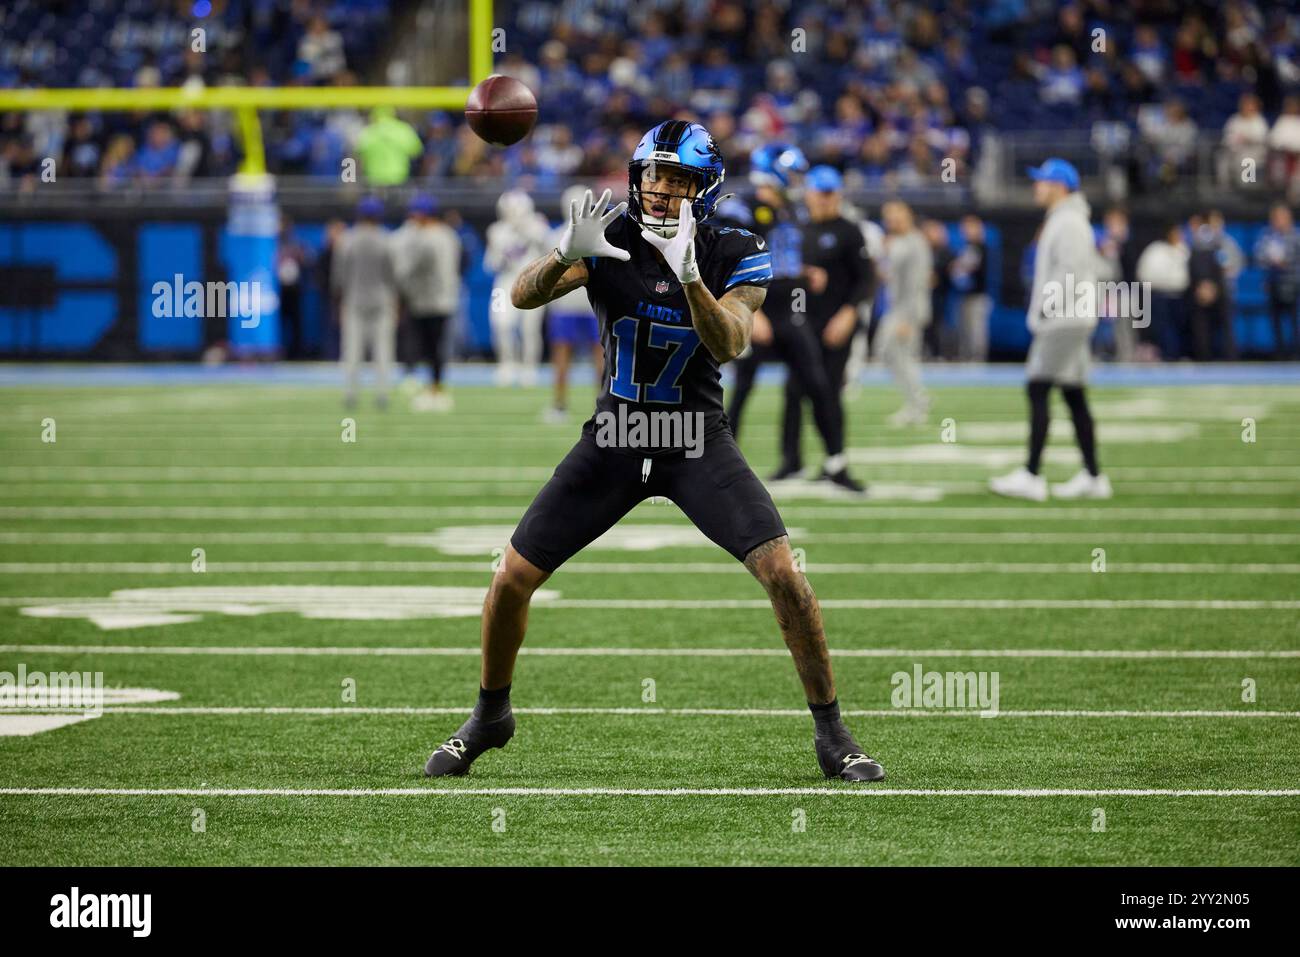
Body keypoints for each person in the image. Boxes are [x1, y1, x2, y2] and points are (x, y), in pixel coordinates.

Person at [423, 121, 885, 784]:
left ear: (705, 190)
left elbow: (730, 341)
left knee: (785, 574)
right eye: (656, 175)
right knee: (509, 579)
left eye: (680, 180)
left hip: (695, 440)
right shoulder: (609, 238)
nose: (664, 190)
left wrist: (691, 275)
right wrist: (563, 255)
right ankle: (490, 713)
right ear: (638, 176)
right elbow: (523, 296)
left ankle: (832, 732)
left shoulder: (734, 248)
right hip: (616, 438)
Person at [721, 143, 866, 491]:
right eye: (794, 172)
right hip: (756, 313)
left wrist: (803, 274)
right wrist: (746, 310)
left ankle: (837, 464)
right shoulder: (742, 209)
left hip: (790, 313)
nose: (799, 181)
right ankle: (723, 468)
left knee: (817, 385)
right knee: (741, 389)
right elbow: (724, 263)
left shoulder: (787, 210)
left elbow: (777, 263)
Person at [990, 158, 1111, 501]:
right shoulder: (1066, 220)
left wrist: (1046, 308)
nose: (1036, 187)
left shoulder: (1069, 222)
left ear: (1059, 186)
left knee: (1037, 387)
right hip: (1072, 316)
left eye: (1042, 181)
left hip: (1065, 318)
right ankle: (1093, 475)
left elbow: (1070, 272)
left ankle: (1031, 474)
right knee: (1073, 394)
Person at [779, 165, 874, 484]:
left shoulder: (849, 230)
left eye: (830, 193)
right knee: (793, 392)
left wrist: (848, 314)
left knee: (828, 392)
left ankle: (836, 463)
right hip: (801, 326)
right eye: (820, 193)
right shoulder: (798, 229)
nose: (824, 199)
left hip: (835, 326)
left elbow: (866, 279)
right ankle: (792, 461)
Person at [393, 193, 462, 411]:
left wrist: (401, 286)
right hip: (446, 298)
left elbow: (414, 268)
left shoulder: (424, 237)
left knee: (427, 346)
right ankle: (437, 388)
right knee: (438, 347)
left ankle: (432, 390)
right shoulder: (450, 235)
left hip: (425, 300)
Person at [543, 184, 604, 422]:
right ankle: (602, 409)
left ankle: (559, 406)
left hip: (565, 303)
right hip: (592, 304)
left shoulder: (554, 234)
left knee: (562, 356)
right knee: (600, 357)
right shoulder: (602, 234)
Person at [332, 196, 398, 409]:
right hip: (382, 301)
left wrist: (341, 300)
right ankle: (382, 395)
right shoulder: (387, 239)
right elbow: (392, 275)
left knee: (352, 351)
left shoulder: (347, 240)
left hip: (354, 300)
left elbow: (339, 277)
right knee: (383, 351)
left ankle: (351, 394)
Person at [484, 190, 552, 386]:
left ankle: (529, 367)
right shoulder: (496, 231)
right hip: (504, 282)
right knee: (500, 324)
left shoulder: (538, 226)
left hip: (532, 282)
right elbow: (489, 264)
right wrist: (500, 258)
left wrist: (535, 233)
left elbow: (550, 253)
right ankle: (507, 364)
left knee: (530, 328)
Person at [877, 200, 933, 426]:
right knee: (888, 353)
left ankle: (917, 403)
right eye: (889, 217)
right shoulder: (899, 241)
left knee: (902, 356)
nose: (892, 221)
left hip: (908, 310)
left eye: (896, 215)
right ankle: (917, 399)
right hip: (897, 308)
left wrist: (907, 318)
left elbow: (917, 283)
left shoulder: (915, 243)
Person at [1253, 203, 1300, 359]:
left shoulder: (1296, 236)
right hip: (1273, 283)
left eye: (1281, 217)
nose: (1278, 221)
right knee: (1276, 321)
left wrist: (1287, 262)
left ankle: (1295, 352)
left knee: (1294, 321)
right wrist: (1271, 260)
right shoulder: (1267, 235)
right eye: (1275, 218)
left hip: (1292, 284)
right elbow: (1258, 255)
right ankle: (1279, 353)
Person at [950, 215, 991, 362]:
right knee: (965, 330)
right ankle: (967, 359)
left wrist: (958, 266)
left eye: (970, 227)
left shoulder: (980, 247)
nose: (966, 231)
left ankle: (977, 360)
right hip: (964, 296)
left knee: (976, 331)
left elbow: (965, 266)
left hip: (977, 297)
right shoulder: (966, 247)